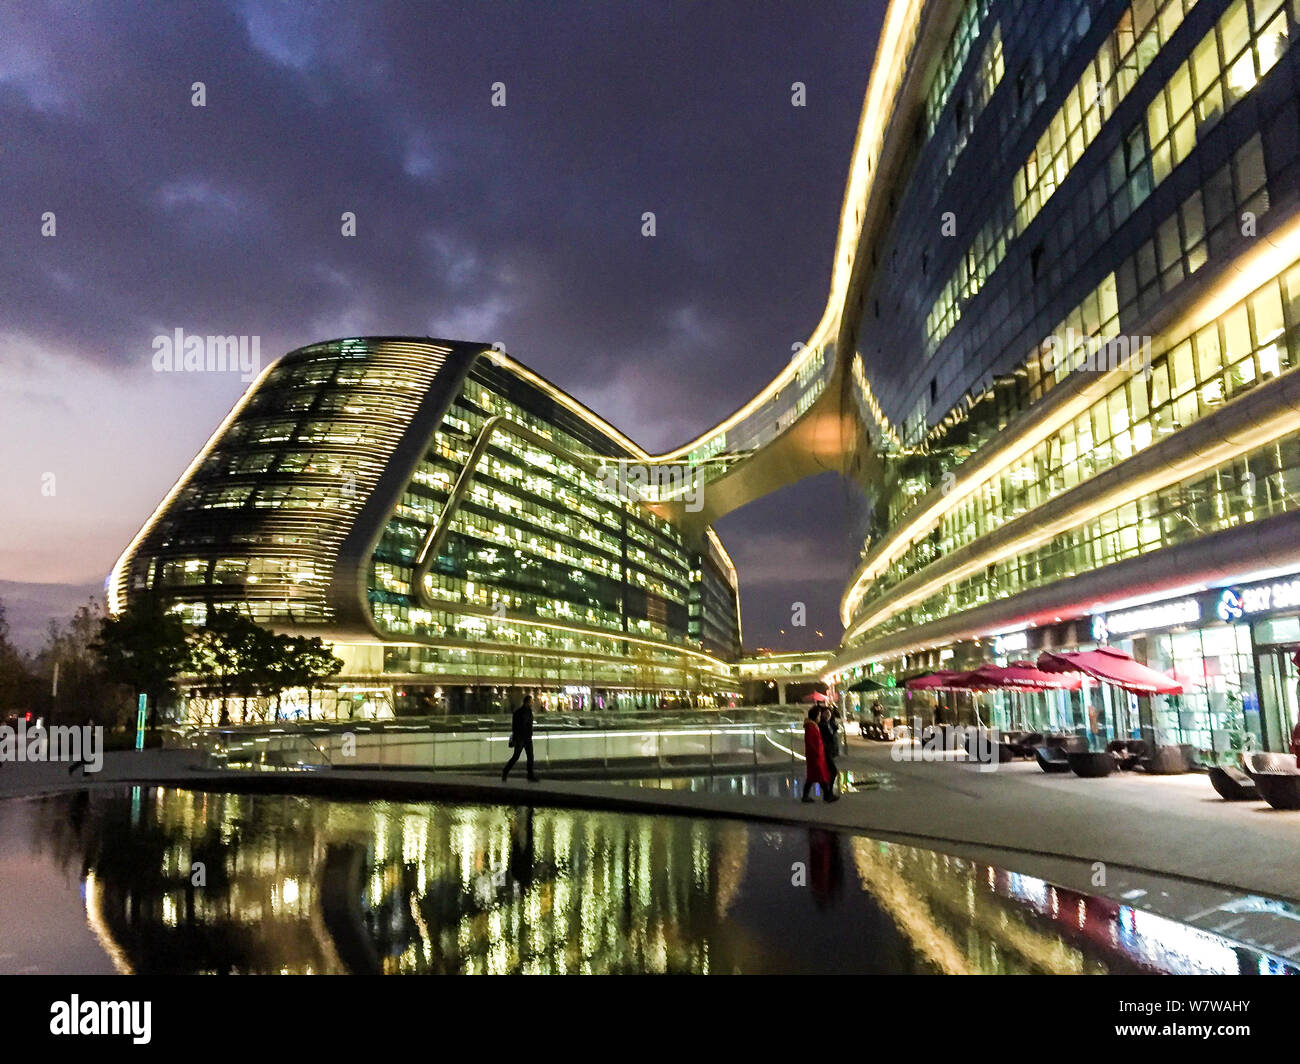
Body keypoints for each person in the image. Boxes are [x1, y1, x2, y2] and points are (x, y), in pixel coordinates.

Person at [501, 694, 538, 781]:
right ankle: (528, 775)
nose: (532, 703)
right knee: (520, 756)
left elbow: (516, 726)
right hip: (522, 737)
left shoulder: (521, 712)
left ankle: (528, 775)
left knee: (527, 756)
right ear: (527, 702)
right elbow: (519, 726)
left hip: (524, 737)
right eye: (531, 701)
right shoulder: (524, 712)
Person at [802, 707, 831, 803]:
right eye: (818, 715)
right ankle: (827, 795)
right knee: (819, 775)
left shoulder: (812, 726)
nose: (819, 717)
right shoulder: (811, 727)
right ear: (815, 716)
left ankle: (806, 796)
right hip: (815, 755)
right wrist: (817, 752)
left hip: (816, 755)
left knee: (813, 776)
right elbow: (810, 742)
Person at [818, 707, 840, 802]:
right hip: (825, 752)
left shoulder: (830, 724)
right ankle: (828, 792)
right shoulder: (822, 725)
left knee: (828, 772)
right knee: (833, 771)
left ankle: (828, 793)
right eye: (825, 713)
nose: (827, 715)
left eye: (829, 713)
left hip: (830, 751)